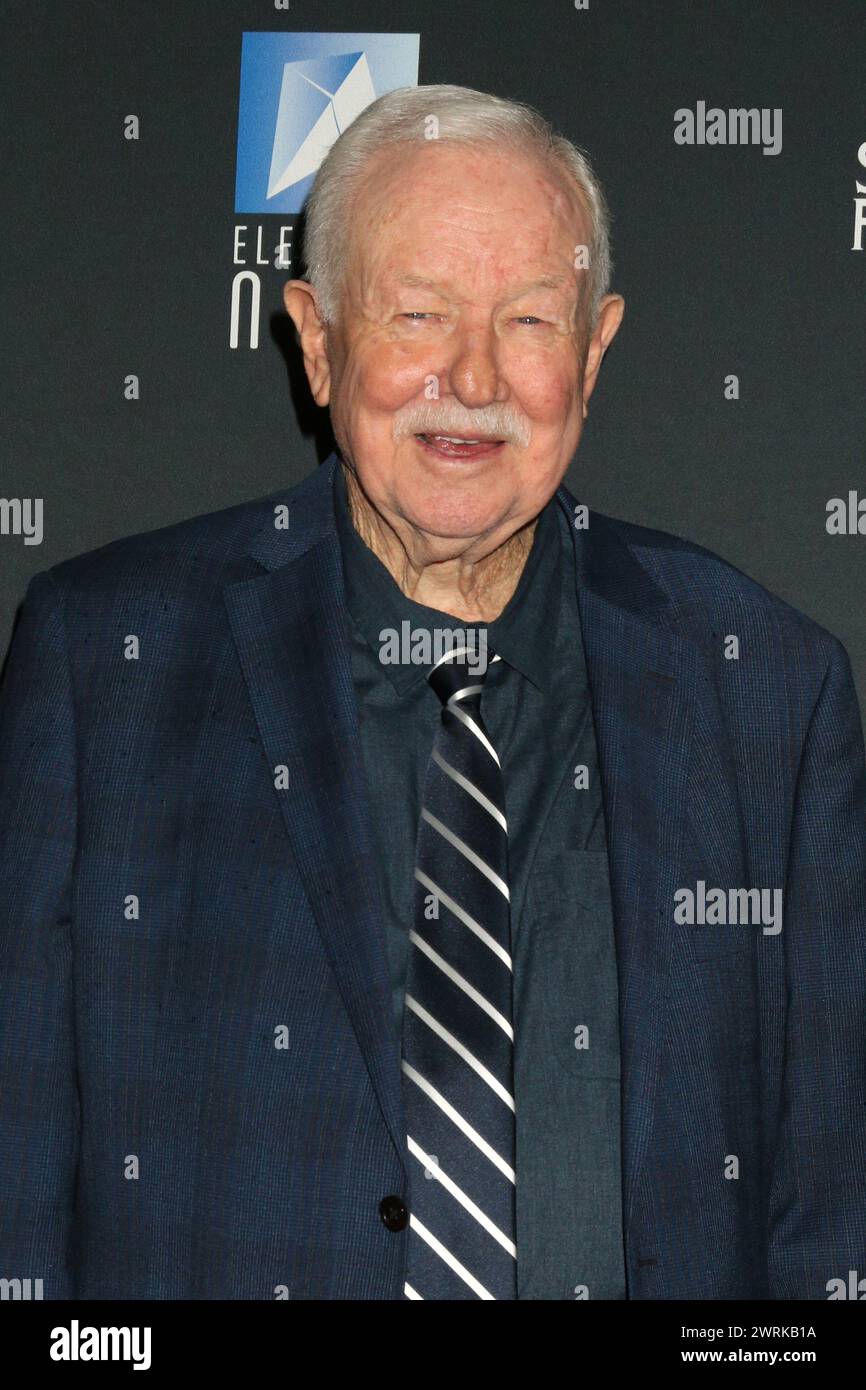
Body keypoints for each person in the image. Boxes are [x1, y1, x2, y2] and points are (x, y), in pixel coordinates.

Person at [1, 84, 864, 1300]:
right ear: (315, 336)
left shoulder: (766, 687)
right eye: (418, 313)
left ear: (594, 348)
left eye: (526, 321)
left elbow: (829, 1219)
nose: (470, 377)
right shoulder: (106, 664)